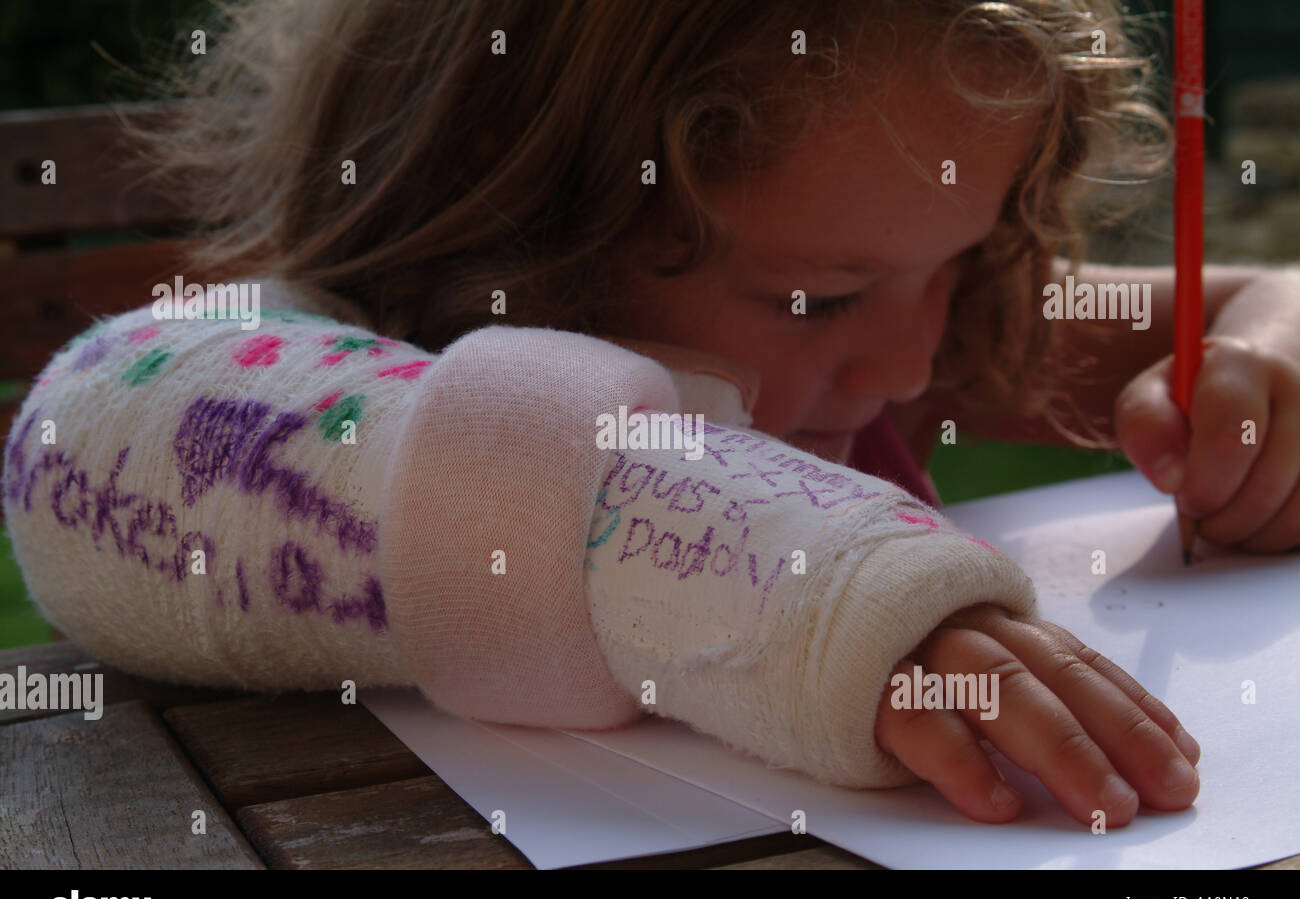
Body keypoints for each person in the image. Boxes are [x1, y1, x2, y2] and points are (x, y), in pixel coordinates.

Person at [8, 0, 1300, 827]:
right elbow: (90, 434)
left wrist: (1269, 364)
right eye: (813, 300)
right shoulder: (356, 347)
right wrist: (816, 590)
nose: (913, 363)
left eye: (959, 263)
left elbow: (1265, 298)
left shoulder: (893, 327)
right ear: (507, 219)